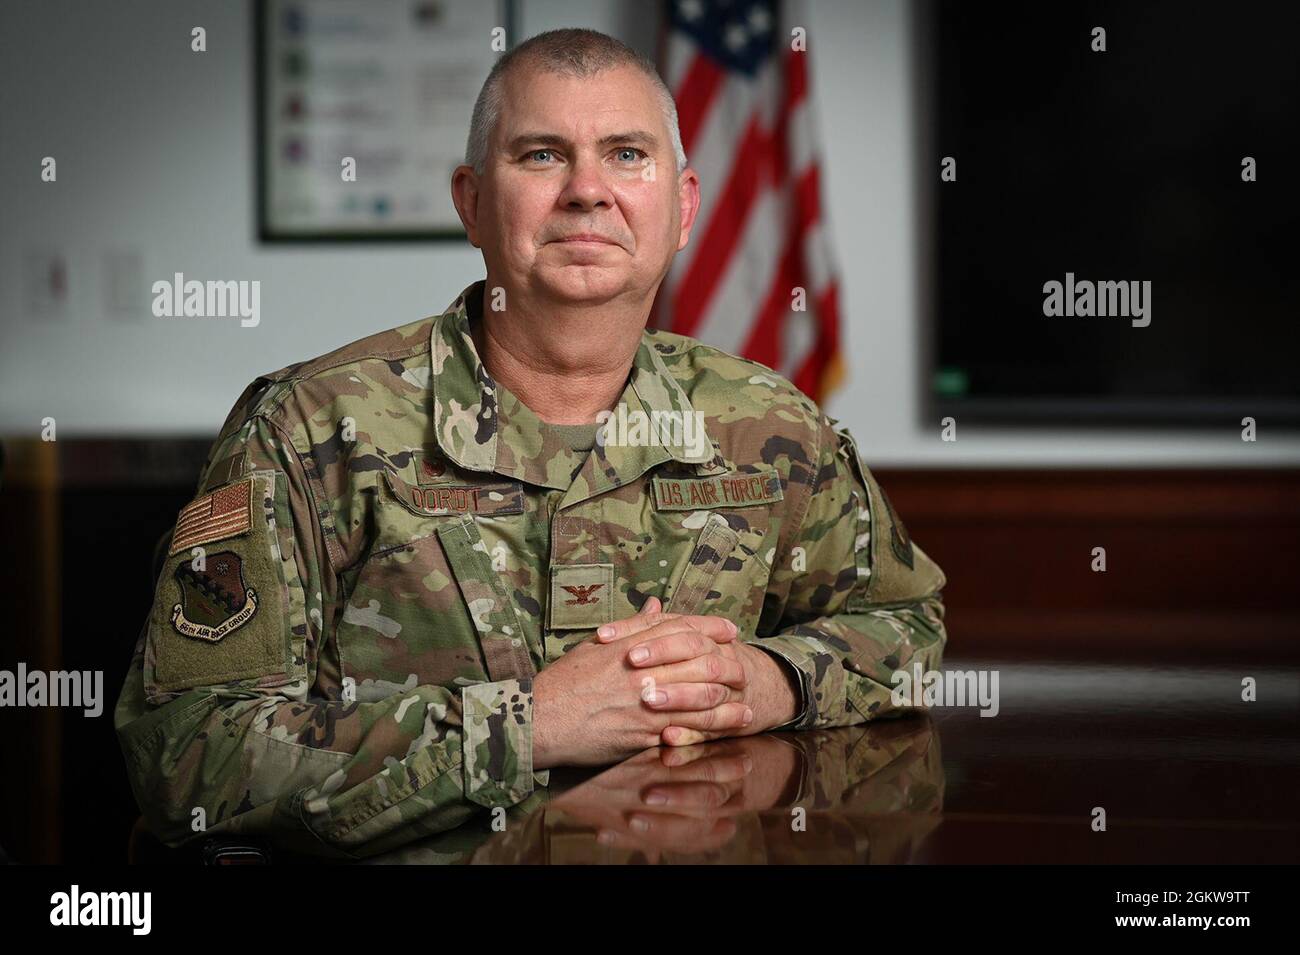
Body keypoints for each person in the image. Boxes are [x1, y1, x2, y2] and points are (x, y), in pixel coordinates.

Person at [115, 28, 947, 858]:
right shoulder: (311, 428)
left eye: (627, 154)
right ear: (471, 201)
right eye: (543, 155)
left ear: (685, 207)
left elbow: (907, 623)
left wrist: (767, 681)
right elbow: (187, 751)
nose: (588, 190)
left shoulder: (770, 429)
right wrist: (529, 722)